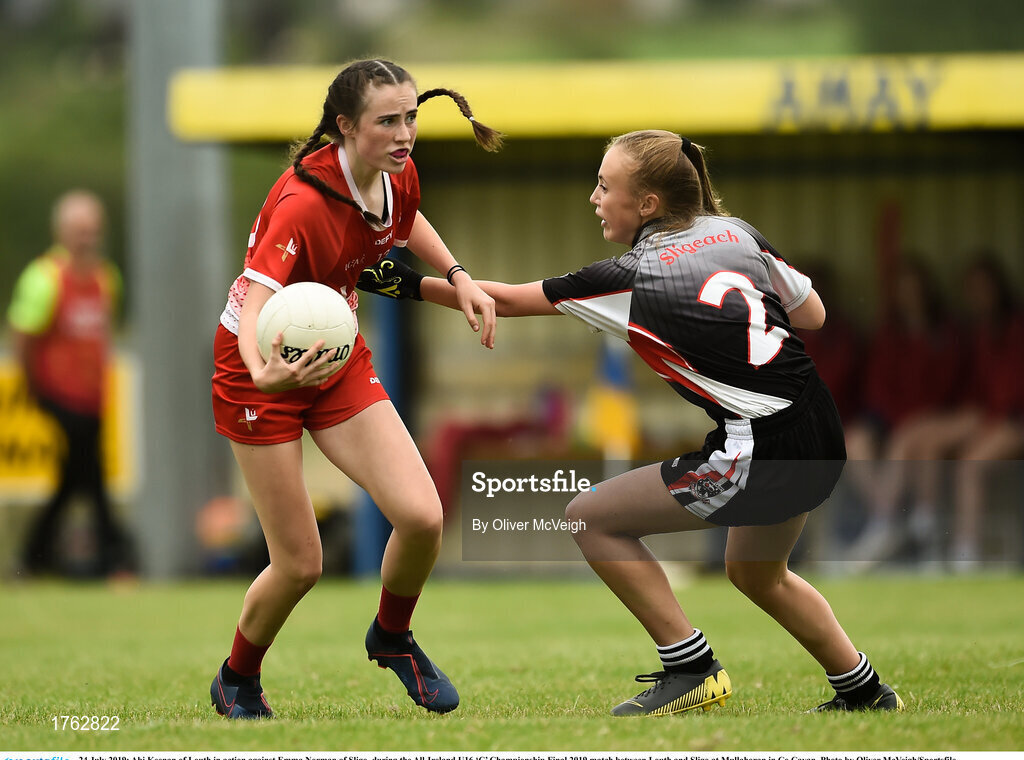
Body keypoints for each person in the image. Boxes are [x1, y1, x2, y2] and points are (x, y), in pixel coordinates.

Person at [358, 130, 904, 715]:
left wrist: (405, 284)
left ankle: (690, 667)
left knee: (590, 519)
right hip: (817, 427)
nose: (594, 197)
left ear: (648, 205)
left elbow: (510, 301)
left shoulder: (632, 274)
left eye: (604, 185)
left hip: (760, 446)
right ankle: (865, 692)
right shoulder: (738, 232)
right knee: (756, 572)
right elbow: (812, 315)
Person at [208, 59, 500, 719]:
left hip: (335, 358)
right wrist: (263, 372)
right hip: (258, 368)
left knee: (423, 517)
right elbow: (256, 299)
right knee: (300, 563)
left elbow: (406, 221)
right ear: (345, 126)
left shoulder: (397, 174)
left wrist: (457, 276)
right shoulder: (303, 200)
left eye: (411, 117)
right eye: (387, 121)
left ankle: (392, 637)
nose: (405, 134)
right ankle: (237, 677)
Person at [8, 189, 130, 578]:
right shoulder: (44, 278)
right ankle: (113, 555)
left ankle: (34, 558)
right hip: (56, 394)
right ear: (61, 231)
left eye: (93, 230)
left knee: (78, 476)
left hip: (92, 396)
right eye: (80, 230)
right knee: (90, 475)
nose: (88, 238)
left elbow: (104, 334)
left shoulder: (106, 277)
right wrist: (33, 388)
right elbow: (23, 335)